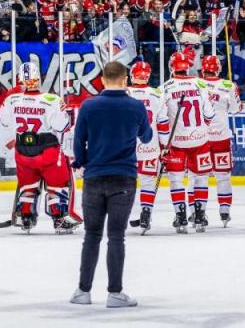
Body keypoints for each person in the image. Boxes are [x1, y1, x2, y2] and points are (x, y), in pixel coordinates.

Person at [71, 61, 151, 309]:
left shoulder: (88, 105)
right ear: (125, 79)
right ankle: (115, 293)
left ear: (103, 80)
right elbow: (146, 136)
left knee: (91, 235)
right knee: (116, 236)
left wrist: (83, 163)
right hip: (123, 178)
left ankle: (83, 291)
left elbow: (78, 141)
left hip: (94, 177)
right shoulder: (136, 106)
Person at [0, 62, 79, 234]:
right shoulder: (51, 100)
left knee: (28, 185)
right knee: (57, 185)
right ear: (38, 78)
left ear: (21, 79)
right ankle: (59, 218)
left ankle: (25, 217)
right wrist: (67, 114)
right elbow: (62, 126)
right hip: (48, 152)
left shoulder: (11, 100)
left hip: (22, 152)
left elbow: (5, 121)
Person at [160, 51, 215, 233]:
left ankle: (181, 216)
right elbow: (209, 114)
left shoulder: (165, 87)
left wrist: (164, 144)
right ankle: (200, 216)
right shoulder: (200, 83)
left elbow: (162, 120)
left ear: (171, 67)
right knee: (201, 178)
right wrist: (199, 130)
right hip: (200, 141)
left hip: (177, 143)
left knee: (176, 180)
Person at [200, 55, 241, 226]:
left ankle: (198, 211)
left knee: (199, 176)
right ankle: (224, 212)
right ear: (218, 68)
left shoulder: (196, 83)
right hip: (221, 137)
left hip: (200, 138)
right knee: (223, 176)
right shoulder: (228, 85)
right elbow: (236, 109)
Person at [126, 61, 165, 233]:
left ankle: (122, 214)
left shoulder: (123, 94)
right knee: (148, 181)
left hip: (126, 148)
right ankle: (146, 212)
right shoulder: (157, 94)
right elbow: (163, 124)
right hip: (150, 147)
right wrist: (165, 147)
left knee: (125, 182)